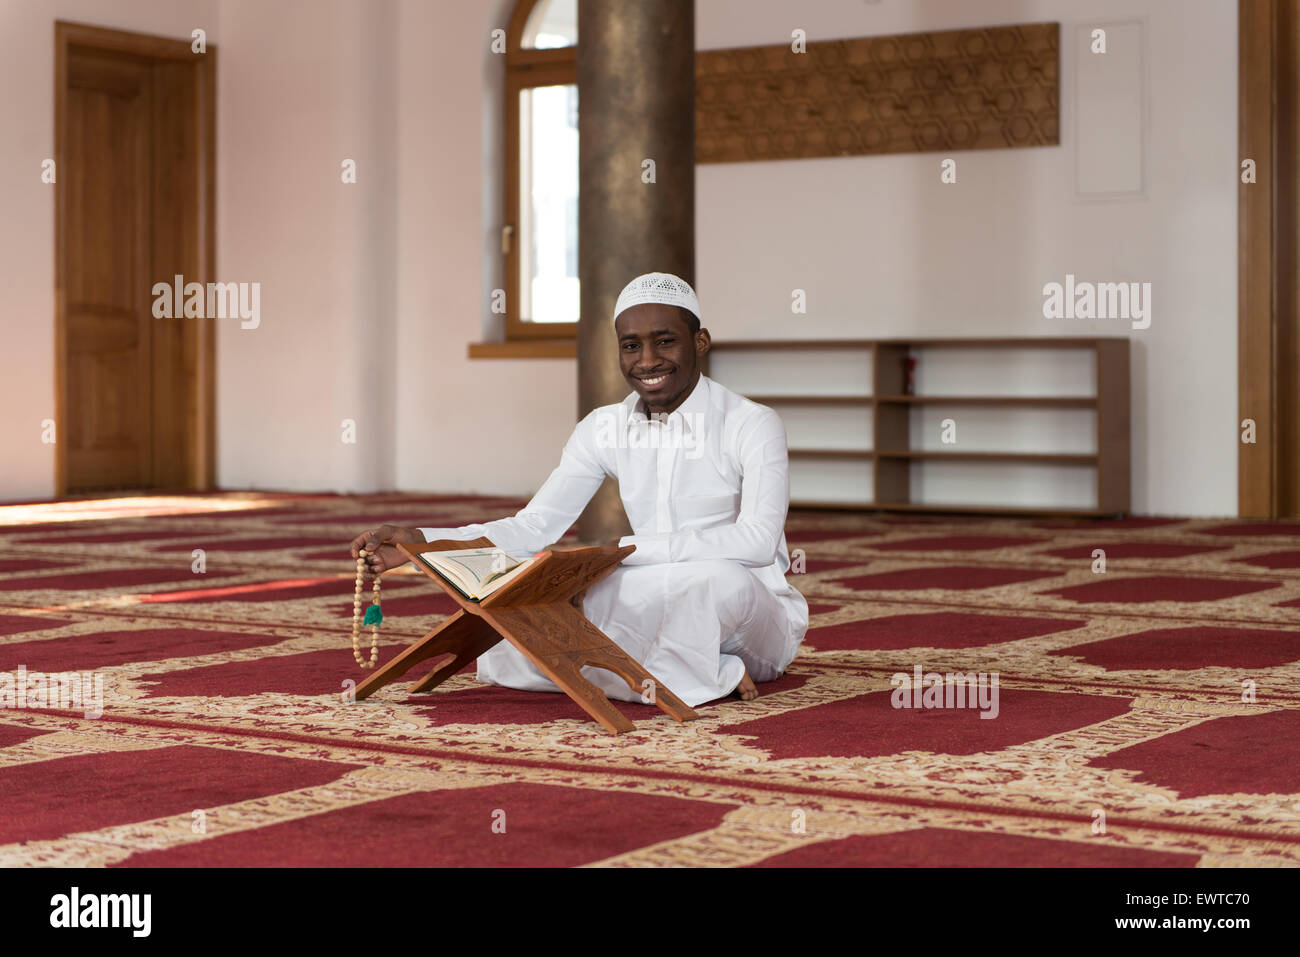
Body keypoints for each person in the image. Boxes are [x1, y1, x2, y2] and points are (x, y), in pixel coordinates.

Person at [350, 271, 808, 706]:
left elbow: (757, 542)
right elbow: (534, 527)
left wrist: (628, 552)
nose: (648, 360)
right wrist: (420, 542)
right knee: (521, 612)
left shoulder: (752, 423)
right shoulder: (603, 427)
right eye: (631, 346)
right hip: (653, 591)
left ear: (700, 342)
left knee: (715, 579)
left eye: (665, 341)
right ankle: (691, 673)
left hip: (751, 613)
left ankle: (681, 670)